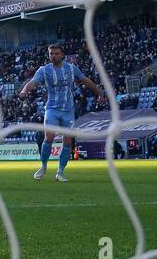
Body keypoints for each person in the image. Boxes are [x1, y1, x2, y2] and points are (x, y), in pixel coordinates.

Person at [18, 44, 102, 182]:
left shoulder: (71, 68)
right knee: (48, 138)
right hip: (52, 109)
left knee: (67, 142)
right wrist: (24, 91)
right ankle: (43, 166)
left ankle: (60, 172)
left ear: (62, 55)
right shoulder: (44, 70)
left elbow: (85, 80)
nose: (53, 56)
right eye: (51, 54)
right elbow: (32, 82)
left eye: (56, 53)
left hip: (68, 111)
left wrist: (99, 92)